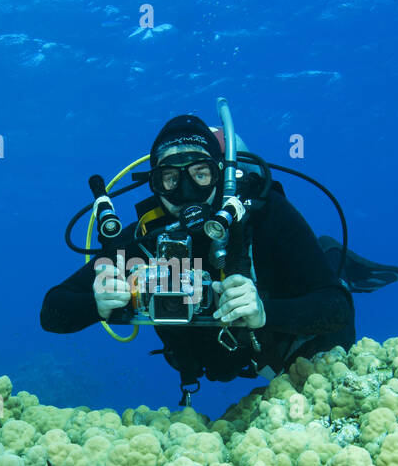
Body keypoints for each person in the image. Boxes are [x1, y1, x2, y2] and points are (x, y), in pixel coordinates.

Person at [40, 114, 356, 402]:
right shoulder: (144, 240)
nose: (187, 191)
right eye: (171, 179)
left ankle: (330, 253)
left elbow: (337, 307)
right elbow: (52, 311)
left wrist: (265, 312)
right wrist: (97, 304)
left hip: (283, 349)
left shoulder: (263, 216)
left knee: (331, 321)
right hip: (216, 360)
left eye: (200, 174)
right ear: (155, 184)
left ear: (219, 174)